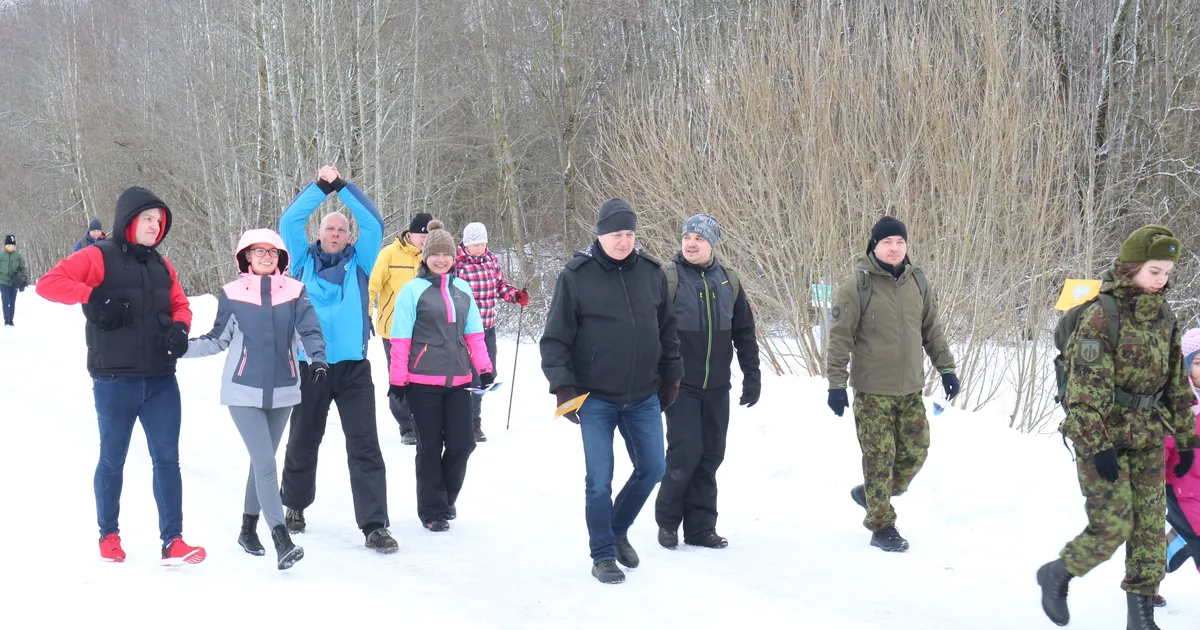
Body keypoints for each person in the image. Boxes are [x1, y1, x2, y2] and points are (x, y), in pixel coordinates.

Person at [1036, 225, 1194, 630]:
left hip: (1148, 437)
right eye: (1154, 271)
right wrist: (1096, 444)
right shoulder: (1099, 315)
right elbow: (1083, 391)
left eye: (1166, 272)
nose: (1162, 280)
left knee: (1148, 531)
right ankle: (1059, 572)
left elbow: (1177, 381)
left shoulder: (1163, 315)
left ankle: (1140, 619)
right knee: (1114, 524)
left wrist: (1188, 438)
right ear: (1132, 267)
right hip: (1102, 437)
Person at [36, 187, 206, 565]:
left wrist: (180, 328)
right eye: (148, 219)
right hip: (115, 379)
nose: (155, 227)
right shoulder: (99, 255)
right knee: (113, 458)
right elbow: (50, 283)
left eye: (159, 222)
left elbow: (180, 303)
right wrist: (94, 297)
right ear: (129, 220)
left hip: (161, 379)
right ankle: (108, 535)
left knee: (167, 460)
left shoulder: (163, 266)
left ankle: (173, 541)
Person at [540, 197, 683, 585]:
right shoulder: (576, 275)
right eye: (617, 234)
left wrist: (671, 375)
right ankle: (602, 554)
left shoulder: (651, 272)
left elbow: (667, 330)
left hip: (642, 394)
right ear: (600, 235)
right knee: (599, 479)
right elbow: (555, 339)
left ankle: (617, 529)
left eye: (630, 234)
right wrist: (563, 389)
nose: (624, 241)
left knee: (653, 467)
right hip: (595, 397)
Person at [181, 228, 324, 570]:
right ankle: (281, 537)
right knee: (265, 463)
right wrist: (177, 349)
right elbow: (217, 340)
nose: (265, 257)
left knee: (261, 463)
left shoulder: (295, 291)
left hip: (285, 390)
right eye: (258, 251)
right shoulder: (232, 293)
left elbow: (309, 330)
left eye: (272, 252)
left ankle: (247, 530)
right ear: (246, 256)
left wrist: (317, 358)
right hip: (242, 391)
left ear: (280, 258)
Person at [278, 165, 396, 553]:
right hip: (311, 367)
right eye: (329, 229)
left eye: (341, 230)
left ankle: (375, 525)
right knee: (303, 438)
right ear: (318, 234)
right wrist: (319, 188)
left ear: (349, 238)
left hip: (353, 369)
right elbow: (289, 218)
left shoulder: (360, 263)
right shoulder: (299, 261)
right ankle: (293, 505)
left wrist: (343, 189)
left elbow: (373, 222)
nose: (335, 234)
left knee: (364, 443)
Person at [825, 216, 959, 553]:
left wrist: (946, 369)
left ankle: (872, 494)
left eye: (900, 242)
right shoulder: (857, 285)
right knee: (879, 458)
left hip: (911, 389)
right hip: (872, 392)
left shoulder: (917, 281)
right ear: (874, 245)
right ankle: (881, 525)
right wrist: (836, 384)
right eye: (887, 242)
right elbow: (839, 337)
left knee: (915, 453)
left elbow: (932, 330)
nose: (895, 248)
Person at [653, 214, 760, 550]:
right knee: (685, 453)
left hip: (717, 387)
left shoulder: (729, 280)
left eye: (698, 238)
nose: (691, 243)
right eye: (687, 237)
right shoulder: (666, 278)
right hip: (679, 384)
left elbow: (744, 332)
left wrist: (752, 374)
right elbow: (648, 331)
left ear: (712, 243)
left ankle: (700, 528)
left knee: (711, 455)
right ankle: (668, 523)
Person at [387, 220, 495, 531]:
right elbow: (401, 339)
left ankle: (446, 497)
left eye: (446, 254)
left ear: (453, 257)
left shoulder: (462, 289)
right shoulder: (412, 291)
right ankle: (433, 511)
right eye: (435, 255)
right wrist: (398, 379)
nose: (441, 260)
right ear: (426, 257)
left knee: (463, 444)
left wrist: (484, 368)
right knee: (430, 448)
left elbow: (474, 333)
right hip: (422, 383)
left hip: (460, 380)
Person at [455, 221, 529, 442]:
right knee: (473, 378)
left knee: (489, 376)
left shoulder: (491, 260)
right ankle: (471, 423)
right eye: (475, 244)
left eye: (482, 243)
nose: (479, 248)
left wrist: (515, 295)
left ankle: (469, 418)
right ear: (466, 244)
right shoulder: (457, 264)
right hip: (465, 331)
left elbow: (500, 287)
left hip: (488, 327)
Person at [369, 212, 432, 445]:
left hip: (425, 330)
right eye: (421, 235)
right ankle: (406, 426)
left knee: (425, 378)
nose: (424, 239)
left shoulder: (433, 257)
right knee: (399, 377)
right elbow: (371, 287)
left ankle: (426, 421)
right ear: (411, 233)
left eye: (429, 235)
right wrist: (367, 315)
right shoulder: (389, 254)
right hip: (394, 329)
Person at [0, 234, 28, 327]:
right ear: (5, 246)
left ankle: (11, 320)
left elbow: (22, 268)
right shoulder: (2, 256)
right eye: (9, 246)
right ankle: (6, 320)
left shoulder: (18, 256)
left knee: (12, 300)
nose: (10, 247)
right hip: (3, 281)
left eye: (12, 246)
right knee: (5, 300)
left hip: (14, 282)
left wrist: (22, 277)